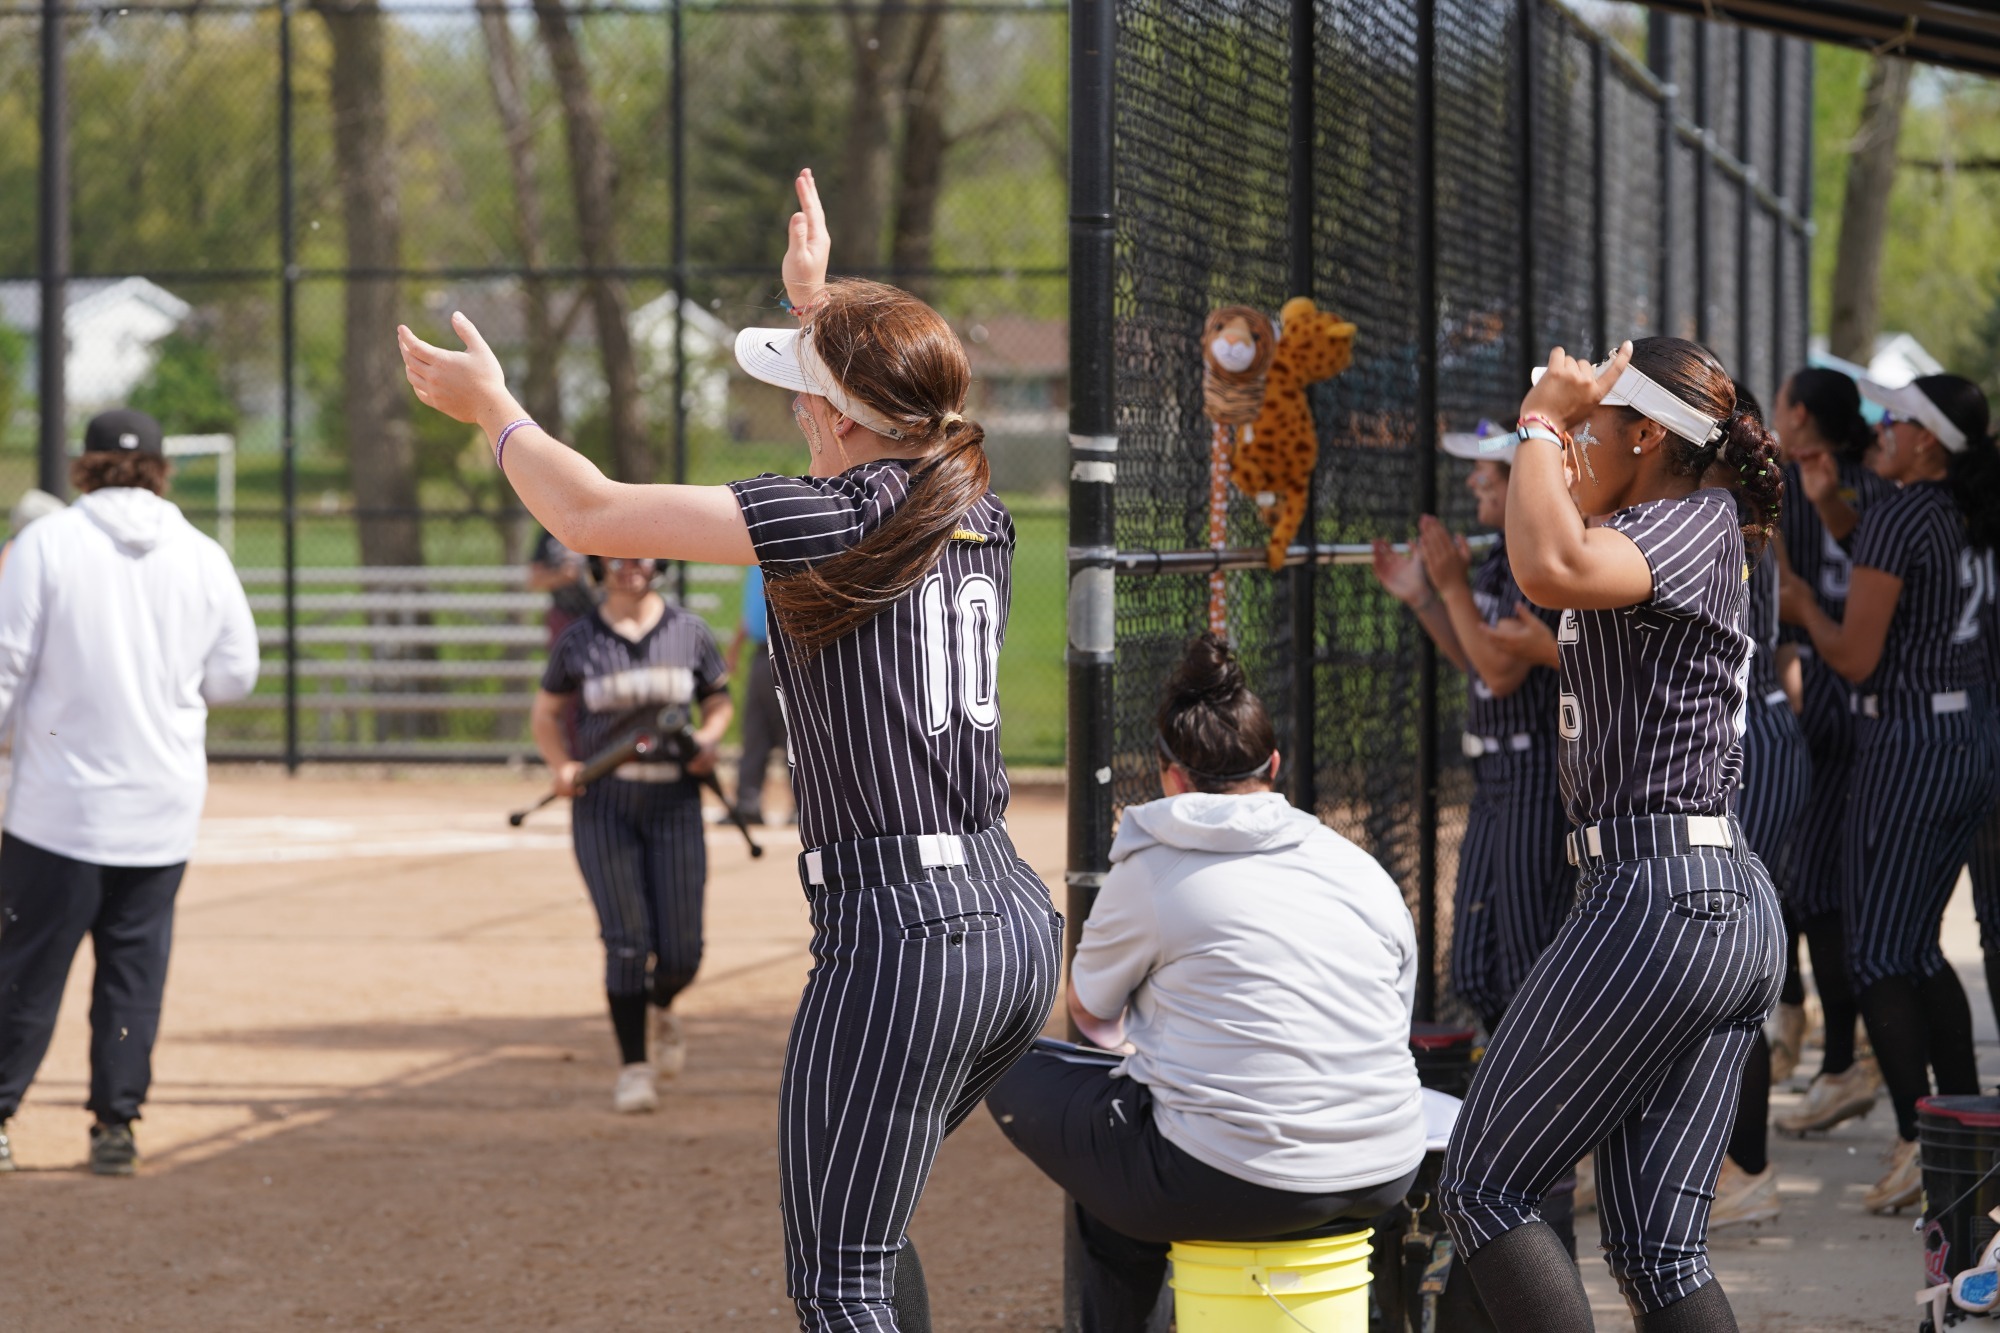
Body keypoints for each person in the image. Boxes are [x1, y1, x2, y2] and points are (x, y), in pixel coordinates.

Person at [398, 167, 1061, 1332]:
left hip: (901, 935)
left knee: (839, 1278)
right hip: (1008, 927)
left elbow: (590, 514)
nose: (796, 413)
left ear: (847, 416)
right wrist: (817, 310)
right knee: (871, 1220)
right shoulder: (973, 506)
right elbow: (887, 416)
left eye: (807, 395)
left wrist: (495, 411)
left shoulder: (831, 514)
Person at [1439, 338, 1785, 1332]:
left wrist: (1540, 419)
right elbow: (1551, 554)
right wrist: (1554, 433)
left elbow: (1546, 562)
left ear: (1646, 434)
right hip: (1684, 898)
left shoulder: (1691, 517)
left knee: (1484, 1185)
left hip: (1663, 895)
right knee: (1656, 1249)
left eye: (1596, 431)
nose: (1571, 451)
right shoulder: (1651, 523)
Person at [984, 633, 1424, 1333]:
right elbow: (1391, 1017)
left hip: (1229, 1178)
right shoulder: (1356, 866)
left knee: (1009, 1066)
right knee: (1132, 1148)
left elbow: (1091, 1011)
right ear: (1274, 765)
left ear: (1168, 775)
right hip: (1387, 1164)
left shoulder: (1151, 868)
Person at [0, 409, 258, 1177]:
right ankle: (116, 1122)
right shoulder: (202, 553)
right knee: (132, 972)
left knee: (27, 966)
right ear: (160, 467)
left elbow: (7, 663)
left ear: (85, 466)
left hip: (59, 806)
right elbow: (237, 674)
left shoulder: (48, 543)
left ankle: (2, 1109)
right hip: (161, 805)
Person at [1778, 373, 2000, 1213]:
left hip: (1907, 742)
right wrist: (1833, 505)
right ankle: (1965, 1129)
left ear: (1929, 440)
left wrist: (1798, 601)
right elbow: (1883, 552)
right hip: (1968, 737)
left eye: (1898, 420)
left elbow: (1857, 655)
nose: (1882, 428)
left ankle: (1921, 1139)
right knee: (1912, 948)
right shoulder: (1962, 507)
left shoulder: (1907, 511)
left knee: (1877, 953)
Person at [1370, 425, 1568, 1034]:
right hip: (1494, 771)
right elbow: (1476, 661)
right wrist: (1428, 599)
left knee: (1525, 963)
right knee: (1475, 970)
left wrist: (1450, 587)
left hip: (1535, 767)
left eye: (1489, 471)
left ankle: (1544, 1108)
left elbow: (1502, 674)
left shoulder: (1536, 557)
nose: (1473, 480)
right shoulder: (1494, 558)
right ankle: (1509, 1084)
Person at [530, 554, 733, 1113]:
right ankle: (633, 1068)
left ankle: (663, 1005)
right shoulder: (579, 640)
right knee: (626, 941)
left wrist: (710, 738)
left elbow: (717, 699)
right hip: (605, 805)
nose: (629, 566)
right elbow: (546, 714)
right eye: (615, 558)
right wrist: (561, 765)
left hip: (675, 801)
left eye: (640, 555)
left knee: (682, 952)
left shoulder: (689, 631)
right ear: (597, 567)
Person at [1768, 368, 1893, 1136]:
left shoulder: (1809, 485)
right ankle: (1824, 1040)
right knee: (1816, 888)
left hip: (1836, 697)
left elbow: (1790, 599)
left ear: (1802, 415)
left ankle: (1843, 1059)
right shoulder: (1874, 477)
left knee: (1817, 889)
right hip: (1858, 701)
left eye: (1783, 406)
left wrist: (1793, 671)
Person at [1707, 389, 1810, 1231]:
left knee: (1733, 963)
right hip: (1766, 729)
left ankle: (1746, 1164)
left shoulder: (1719, 520)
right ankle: (1736, 1159)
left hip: (1758, 743)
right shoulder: (1722, 517)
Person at [727, 563, 786, 826]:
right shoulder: (754, 563)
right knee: (755, 732)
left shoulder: (785, 554)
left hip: (790, 652)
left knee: (791, 733)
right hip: (761, 655)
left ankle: (803, 805)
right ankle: (747, 804)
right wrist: (735, 648)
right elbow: (750, 613)